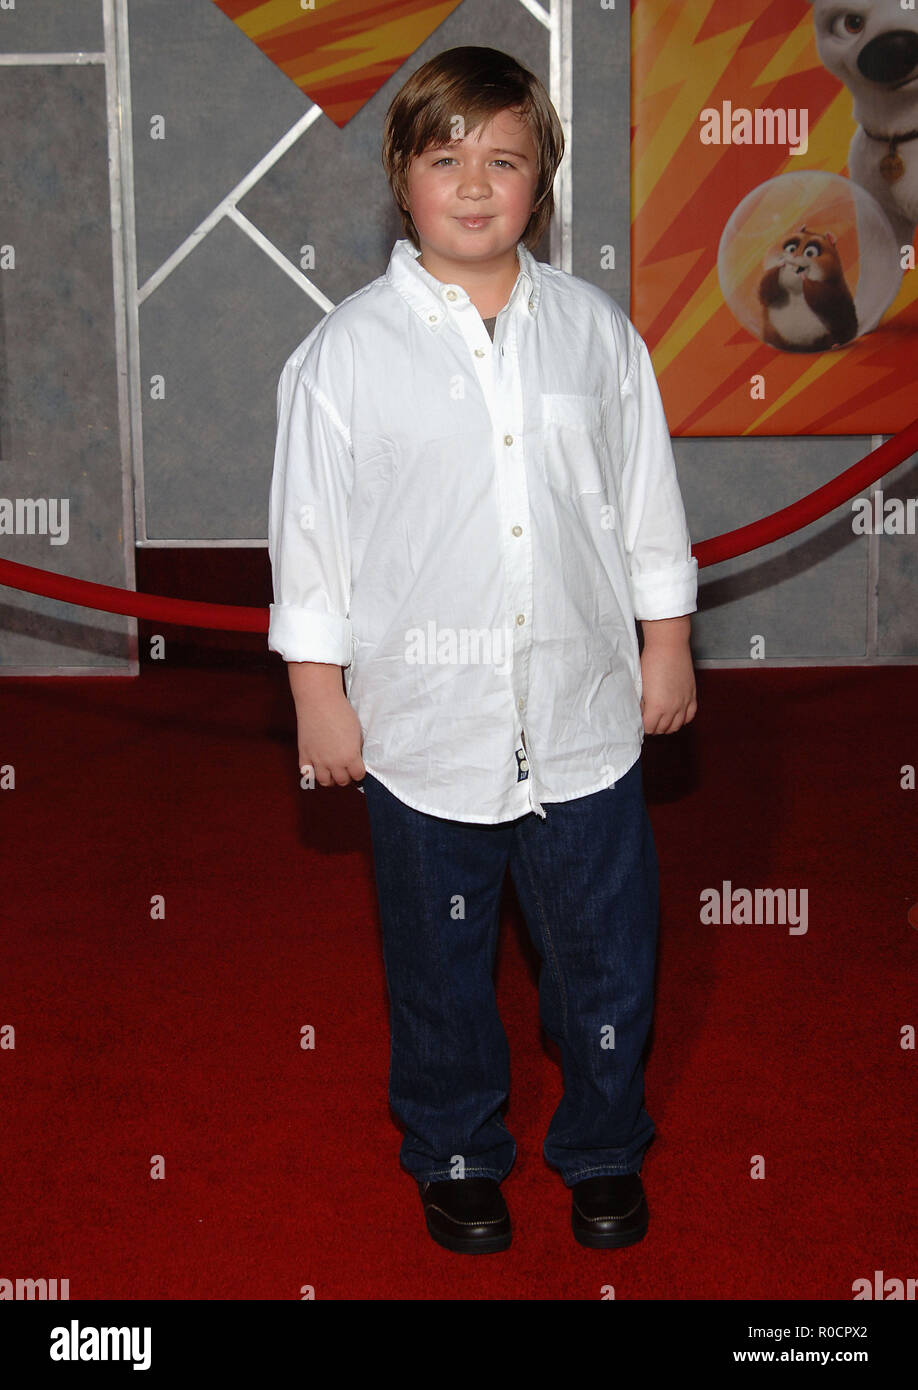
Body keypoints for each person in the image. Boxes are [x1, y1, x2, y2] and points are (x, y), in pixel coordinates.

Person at [267, 46, 698, 1255]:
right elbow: (313, 541)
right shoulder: (344, 355)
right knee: (440, 970)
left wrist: (666, 645)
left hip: (586, 723)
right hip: (424, 735)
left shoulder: (596, 335)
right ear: (401, 179)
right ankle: (455, 1148)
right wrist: (319, 693)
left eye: (503, 159)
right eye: (444, 157)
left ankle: (605, 1147)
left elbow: (644, 502)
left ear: (540, 184)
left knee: (608, 967)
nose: (473, 184)